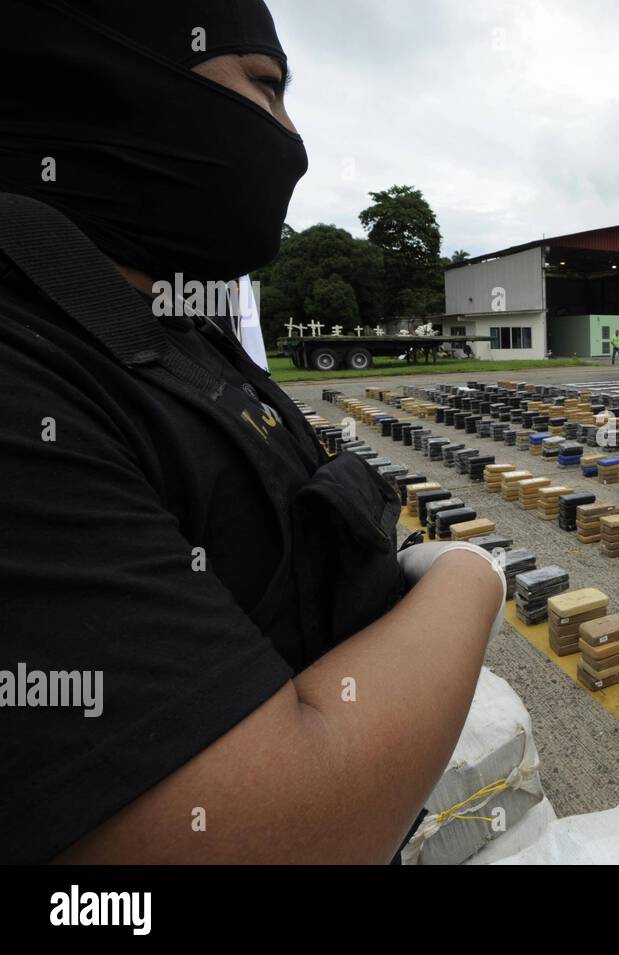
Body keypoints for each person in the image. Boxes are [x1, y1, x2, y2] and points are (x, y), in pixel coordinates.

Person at [0, 0, 508, 864]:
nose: (289, 140)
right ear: (120, 73)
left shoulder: (171, 324)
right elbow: (276, 827)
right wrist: (471, 578)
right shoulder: (29, 369)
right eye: (266, 87)